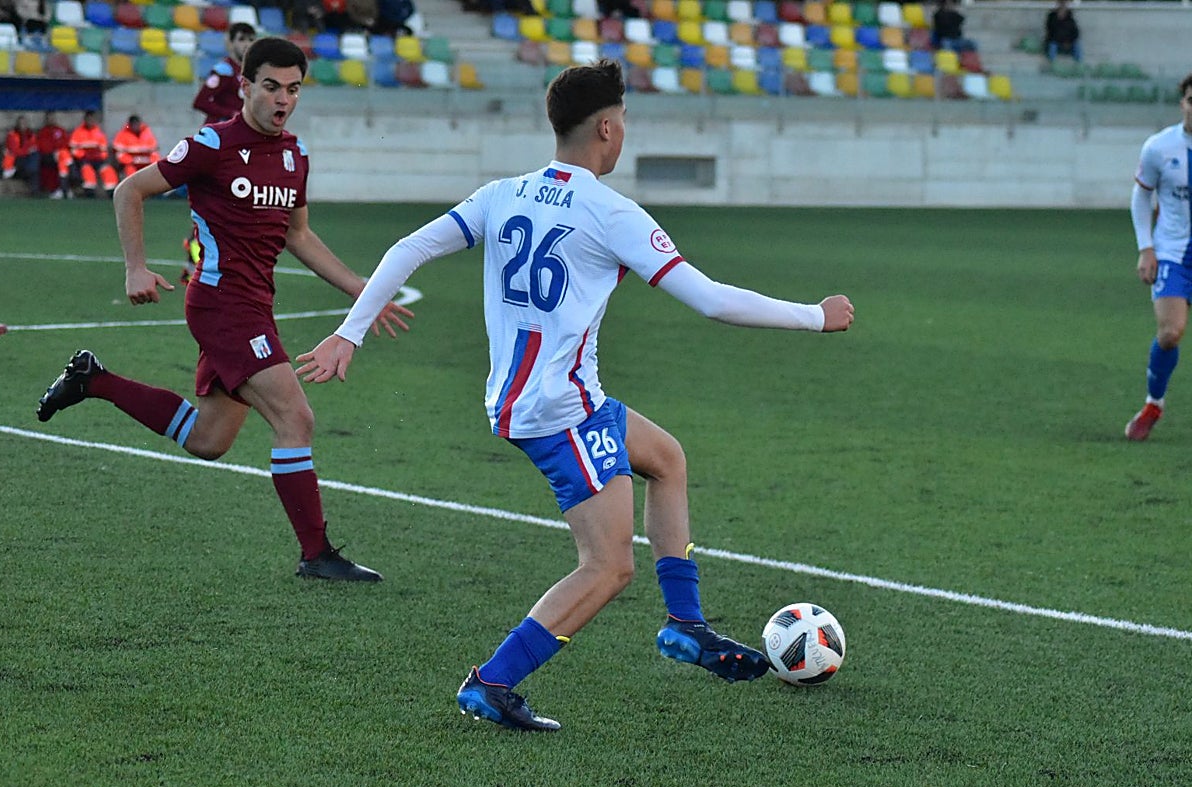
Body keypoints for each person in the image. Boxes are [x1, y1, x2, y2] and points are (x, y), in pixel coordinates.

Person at [297, 59, 855, 731]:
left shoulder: (503, 193)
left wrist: (349, 333)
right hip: (562, 411)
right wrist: (815, 316)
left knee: (665, 459)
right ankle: (492, 683)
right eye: (624, 123)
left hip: (531, 398)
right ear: (608, 128)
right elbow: (711, 300)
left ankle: (686, 624)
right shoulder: (611, 212)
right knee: (608, 567)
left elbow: (408, 249)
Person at [36, 37, 414, 580]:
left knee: (208, 441)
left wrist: (361, 290)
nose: (282, 100)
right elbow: (128, 190)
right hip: (222, 306)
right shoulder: (212, 144)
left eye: (293, 89)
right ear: (244, 86)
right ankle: (316, 555)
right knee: (296, 418)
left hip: (255, 304)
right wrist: (135, 267)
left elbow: (299, 236)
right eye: (271, 87)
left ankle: (93, 380)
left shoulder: (295, 155)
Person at [1125, 73, 1192, 441]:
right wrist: (1145, 247)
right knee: (1170, 333)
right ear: (1183, 103)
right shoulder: (1159, 147)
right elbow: (1141, 196)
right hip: (1173, 253)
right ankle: (1153, 404)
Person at [184, 22, 257, 284]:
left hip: (238, 147)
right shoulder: (225, 70)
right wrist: (231, 115)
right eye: (241, 39)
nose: (246, 44)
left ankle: (207, 263)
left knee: (230, 206)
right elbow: (200, 101)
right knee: (214, 206)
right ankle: (194, 263)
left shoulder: (250, 74)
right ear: (230, 42)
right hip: (217, 146)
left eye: (250, 39)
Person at [68, 110, 117, 198]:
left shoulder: (99, 132)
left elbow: (104, 148)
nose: (91, 121)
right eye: (89, 119)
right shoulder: (78, 132)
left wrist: (100, 155)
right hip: (84, 159)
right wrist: (83, 154)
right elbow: (73, 148)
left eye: (92, 119)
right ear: (85, 119)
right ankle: (89, 192)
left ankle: (111, 192)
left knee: (108, 170)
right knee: (87, 170)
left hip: (98, 159)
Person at [112, 114, 160, 179]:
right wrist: (132, 155)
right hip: (131, 162)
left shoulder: (147, 132)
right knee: (128, 168)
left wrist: (142, 153)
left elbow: (154, 147)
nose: (135, 126)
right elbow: (117, 148)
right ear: (129, 125)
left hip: (147, 161)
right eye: (133, 124)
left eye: (137, 124)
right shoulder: (123, 133)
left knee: (155, 158)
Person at [2, 115, 41, 196]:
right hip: (16, 162)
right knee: (31, 165)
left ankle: (35, 191)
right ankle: (33, 189)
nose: (23, 125)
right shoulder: (12, 135)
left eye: (25, 123)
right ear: (17, 124)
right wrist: (26, 151)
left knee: (35, 157)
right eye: (21, 123)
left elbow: (34, 147)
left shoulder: (31, 135)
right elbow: (14, 151)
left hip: (28, 161)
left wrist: (26, 151)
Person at [36, 110, 72, 198]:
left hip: (60, 156)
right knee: (63, 160)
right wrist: (54, 150)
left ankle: (63, 189)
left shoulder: (60, 130)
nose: (51, 120)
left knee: (63, 161)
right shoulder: (43, 132)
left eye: (52, 118)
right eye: (49, 118)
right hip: (47, 156)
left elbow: (65, 143)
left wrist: (58, 149)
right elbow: (42, 146)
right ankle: (63, 189)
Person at [1044, 0, 1081, 65]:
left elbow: (1076, 32)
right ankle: (1052, 64)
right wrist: (1062, 41)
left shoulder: (1070, 17)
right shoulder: (1052, 16)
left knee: (1077, 45)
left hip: (1068, 43)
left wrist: (1069, 41)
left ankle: (1079, 64)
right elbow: (1050, 32)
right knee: (1052, 45)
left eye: (1065, 3)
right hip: (1056, 42)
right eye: (1061, 3)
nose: (1063, 5)